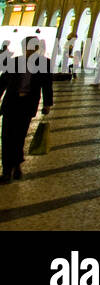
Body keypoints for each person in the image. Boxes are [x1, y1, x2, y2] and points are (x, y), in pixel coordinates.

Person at [1, 37, 54, 183]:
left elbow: (47, 85)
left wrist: (47, 104)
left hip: (26, 104)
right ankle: (7, 170)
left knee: (19, 136)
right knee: (6, 137)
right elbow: (3, 81)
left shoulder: (44, 63)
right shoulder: (14, 61)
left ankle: (16, 164)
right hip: (11, 103)